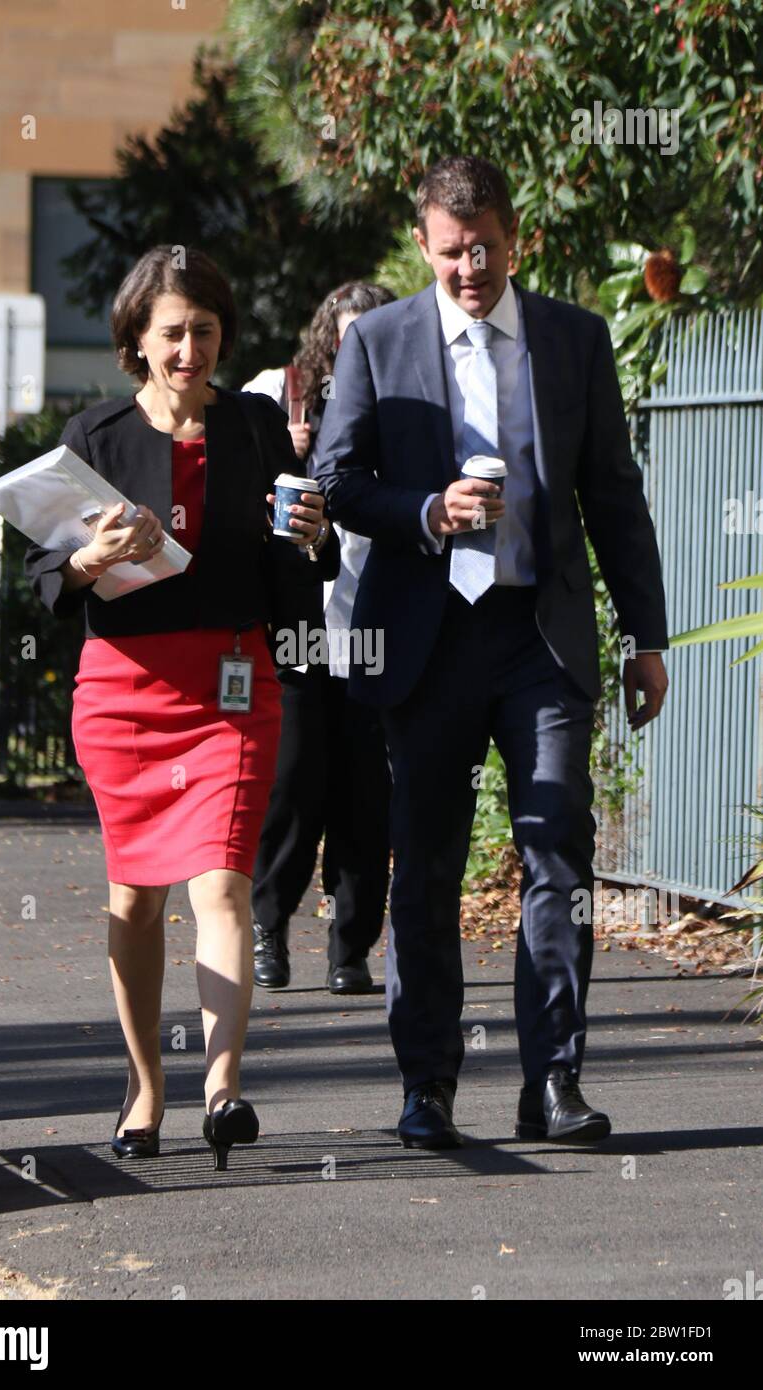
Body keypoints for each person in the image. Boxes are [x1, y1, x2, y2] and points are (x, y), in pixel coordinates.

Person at [313, 156, 669, 1149]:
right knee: (422, 866)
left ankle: (551, 1078)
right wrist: (425, 509)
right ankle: (426, 1083)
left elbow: (613, 494)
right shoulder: (378, 343)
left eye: (483, 249)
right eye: (448, 252)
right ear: (421, 246)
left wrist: (644, 633)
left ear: (514, 239)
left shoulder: (571, 339)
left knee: (555, 845)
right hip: (426, 639)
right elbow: (336, 479)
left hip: (535, 636)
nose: (468, 268)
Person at [24, 246, 338, 1170]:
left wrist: (315, 541)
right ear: (137, 340)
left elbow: (293, 571)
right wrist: (88, 561)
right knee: (135, 897)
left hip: (233, 686)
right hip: (124, 693)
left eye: (204, 331)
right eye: (172, 333)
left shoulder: (253, 429)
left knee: (226, 884)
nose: (190, 349)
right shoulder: (95, 436)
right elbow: (47, 573)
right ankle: (144, 1086)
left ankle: (223, 1087)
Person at [242, 284, 395, 994]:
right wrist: (286, 445)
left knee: (366, 795)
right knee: (295, 782)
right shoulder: (281, 394)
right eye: (346, 333)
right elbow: (238, 475)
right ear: (326, 336)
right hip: (301, 622)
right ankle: (267, 929)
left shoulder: (407, 406)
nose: (357, 345)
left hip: (376, 620)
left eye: (372, 332)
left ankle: (350, 949)